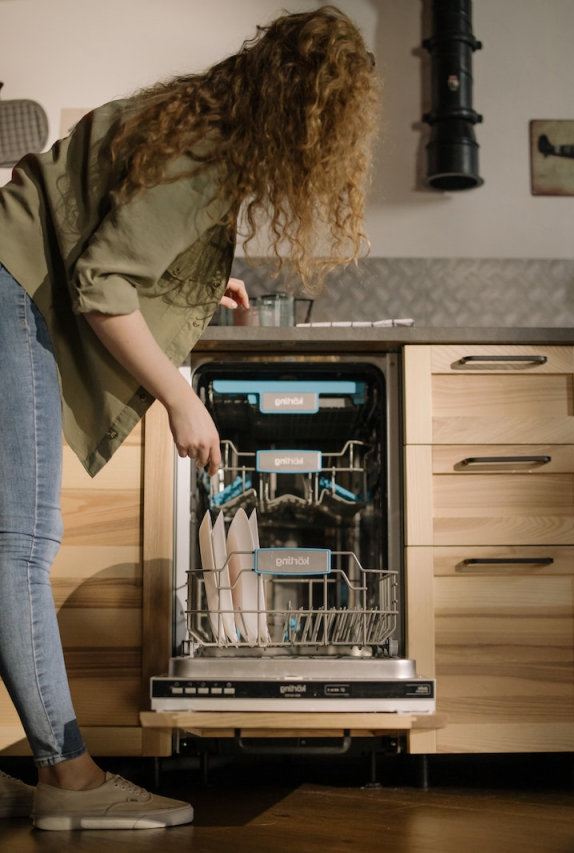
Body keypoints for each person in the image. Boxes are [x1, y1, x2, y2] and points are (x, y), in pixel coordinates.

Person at [0, 4, 380, 832]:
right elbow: (102, 283)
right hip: (8, 289)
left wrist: (198, 282)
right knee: (19, 544)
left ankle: (51, 768)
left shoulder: (194, 117)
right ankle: (69, 777)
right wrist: (181, 397)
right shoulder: (207, 152)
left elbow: (114, 231)